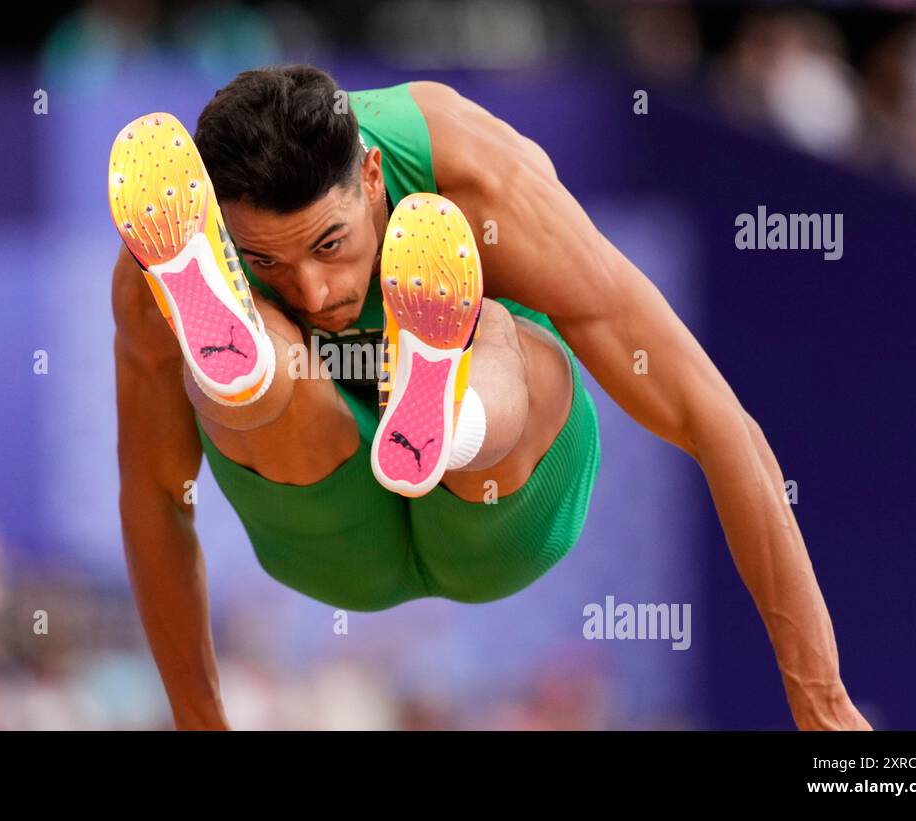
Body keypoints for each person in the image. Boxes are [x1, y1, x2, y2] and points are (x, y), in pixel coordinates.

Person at [107, 65, 870, 731]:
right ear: (218, 223)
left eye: (329, 244)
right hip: (326, 521)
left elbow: (714, 418)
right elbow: (156, 493)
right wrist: (199, 720)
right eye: (266, 257)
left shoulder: (479, 176)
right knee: (258, 361)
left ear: (374, 175)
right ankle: (254, 371)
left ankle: (451, 413)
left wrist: (822, 699)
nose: (312, 287)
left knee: (495, 328)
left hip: (503, 504)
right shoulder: (158, 260)